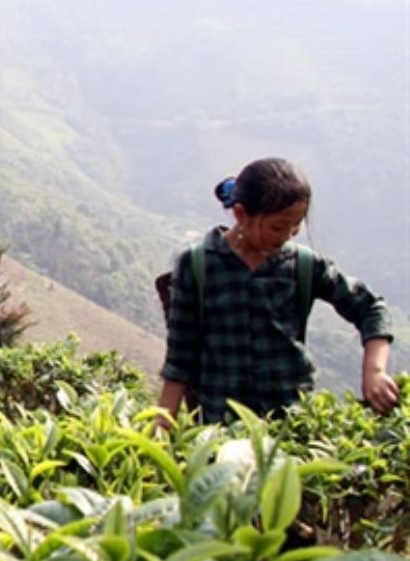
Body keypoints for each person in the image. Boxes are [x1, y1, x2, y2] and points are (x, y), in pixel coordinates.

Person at [158, 157, 396, 424]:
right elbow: (180, 358)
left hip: (292, 428)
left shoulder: (304, 265)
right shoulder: (198, 265)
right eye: (278, 226)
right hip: (223, 428)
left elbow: (370, 308)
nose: (289, 234)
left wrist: (374, 371)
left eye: (296, 224)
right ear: (240, 215)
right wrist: (162, 427)